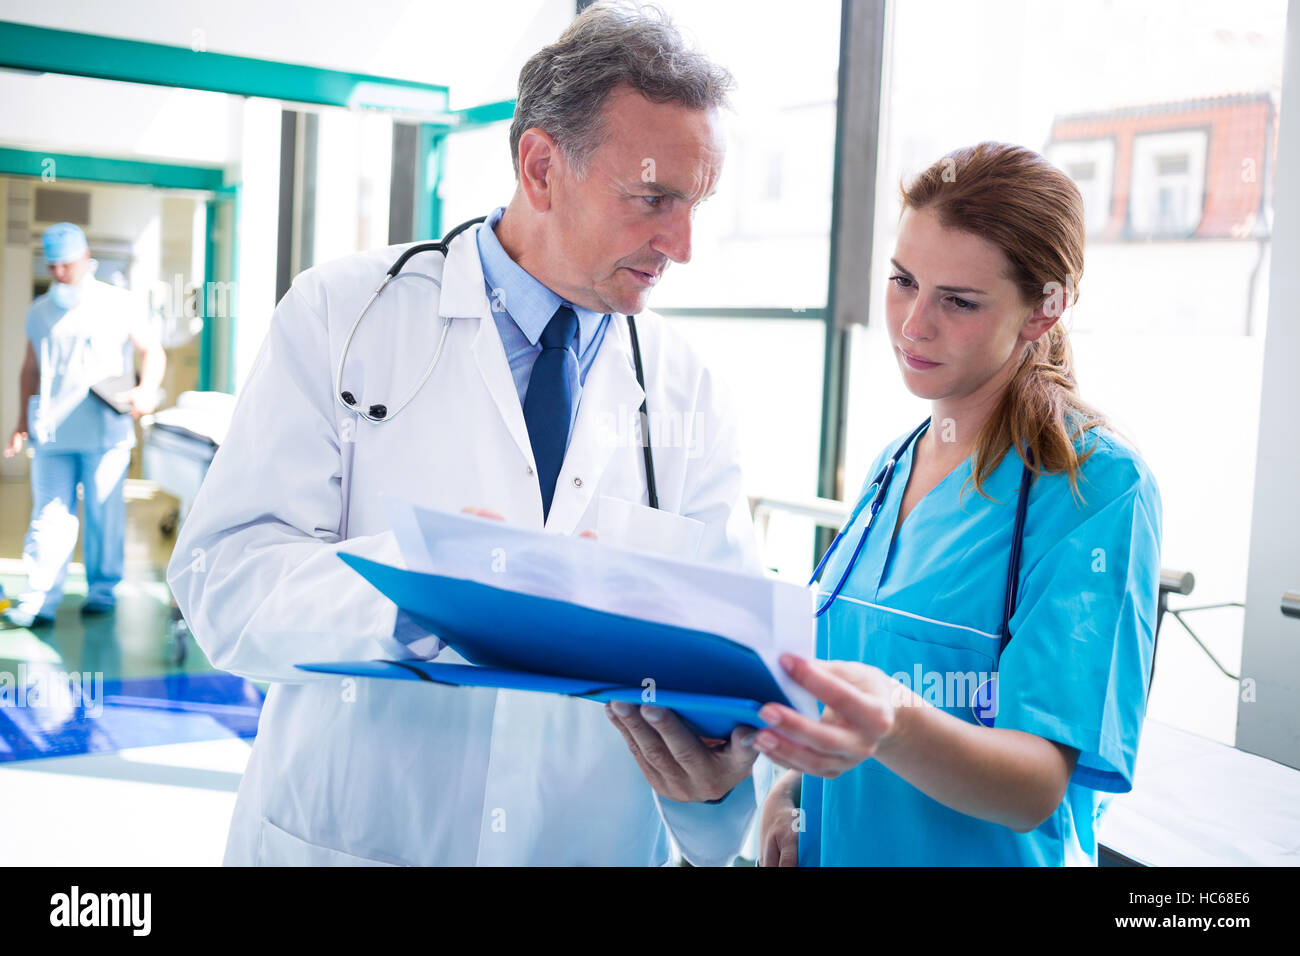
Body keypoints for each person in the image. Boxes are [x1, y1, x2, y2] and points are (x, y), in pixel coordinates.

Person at [166, 2, 763, 866]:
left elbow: (724, 640)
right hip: (358, 833)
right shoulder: (346, 313)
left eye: (696, 203)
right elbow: (223, 579)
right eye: (653, 199)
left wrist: (718, 795)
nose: (683, 244)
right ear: (540, 166)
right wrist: (416, 587)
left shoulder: (686, 385)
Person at [755, 142, 1162, 866]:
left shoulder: (1094, 488)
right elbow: (859, 684)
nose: (914, 324)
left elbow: (1036, 784)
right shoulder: (894, 464)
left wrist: (895, 723)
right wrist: (794, 790)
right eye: (903, 280)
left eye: (959, 301)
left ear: (1046, 308)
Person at [3, 222, 165, 629]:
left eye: (66, 265)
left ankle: (102, 592)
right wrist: (21, 420)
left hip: (105, 433)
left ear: (84, 258)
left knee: (103, 513)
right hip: (52, 432)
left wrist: (146, 390)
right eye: (52, 265)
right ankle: (40, 598)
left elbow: (152, 351)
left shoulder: (119, 303)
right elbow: (30, 368)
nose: (59, 273)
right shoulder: (39, 312)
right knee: (49, 516)